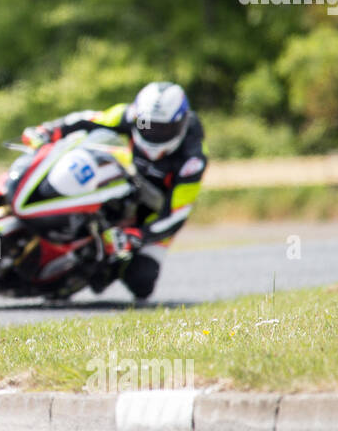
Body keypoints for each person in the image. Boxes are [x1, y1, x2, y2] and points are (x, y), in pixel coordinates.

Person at [20, 81, 207, 299]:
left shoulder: (193, 159)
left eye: (164, 128)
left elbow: (177, 213)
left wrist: (140, 235)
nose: (153, 132)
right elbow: (87, 120)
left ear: (182, 123)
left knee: (142, 281)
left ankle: (98, 271)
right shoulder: (129, 116)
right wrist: (49, 130)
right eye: (147, 124)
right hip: (125, 188)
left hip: (155, 217)